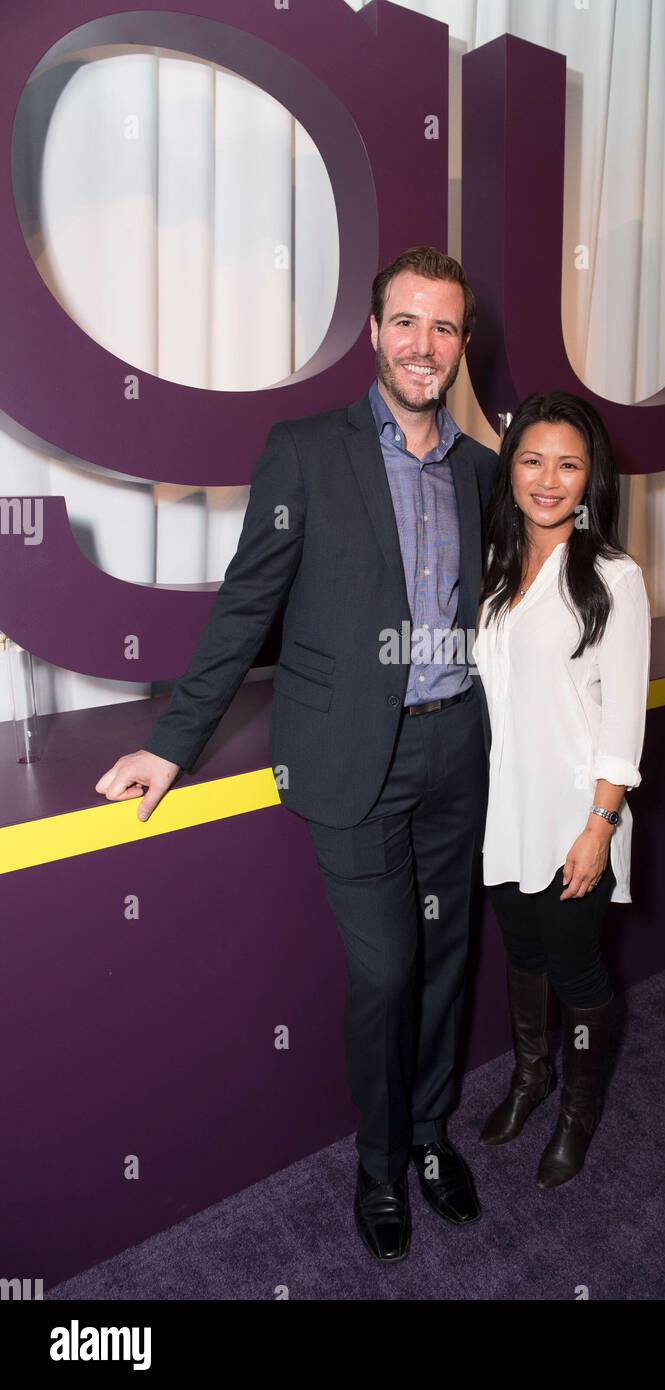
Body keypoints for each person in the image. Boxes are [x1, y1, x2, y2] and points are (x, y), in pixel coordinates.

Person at [95, 247, 500, 1263]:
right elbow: (248, 603)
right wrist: (171, 742)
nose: (423, 344)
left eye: (443, 327)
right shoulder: (305, 450)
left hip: (456, 746)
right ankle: (377, 1165)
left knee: (447, 957)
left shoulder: (480, 470)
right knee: (386, 971)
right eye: (405, 322)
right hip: (349, 760)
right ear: (372, 334)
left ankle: (428, 1133)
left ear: (462, 348)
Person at [472, 391, 651, 1189]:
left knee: (577, 974)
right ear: (510, 467)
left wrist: (598, 825)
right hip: (503, 813)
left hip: (577, 817)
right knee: (525, 954)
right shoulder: (494, 566)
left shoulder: (614, 577)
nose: (548, 479)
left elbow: (624, 718)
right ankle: (529, 1077)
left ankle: (578, 1107)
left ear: (591, 479)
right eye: (533, 459)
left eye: (568, 464)